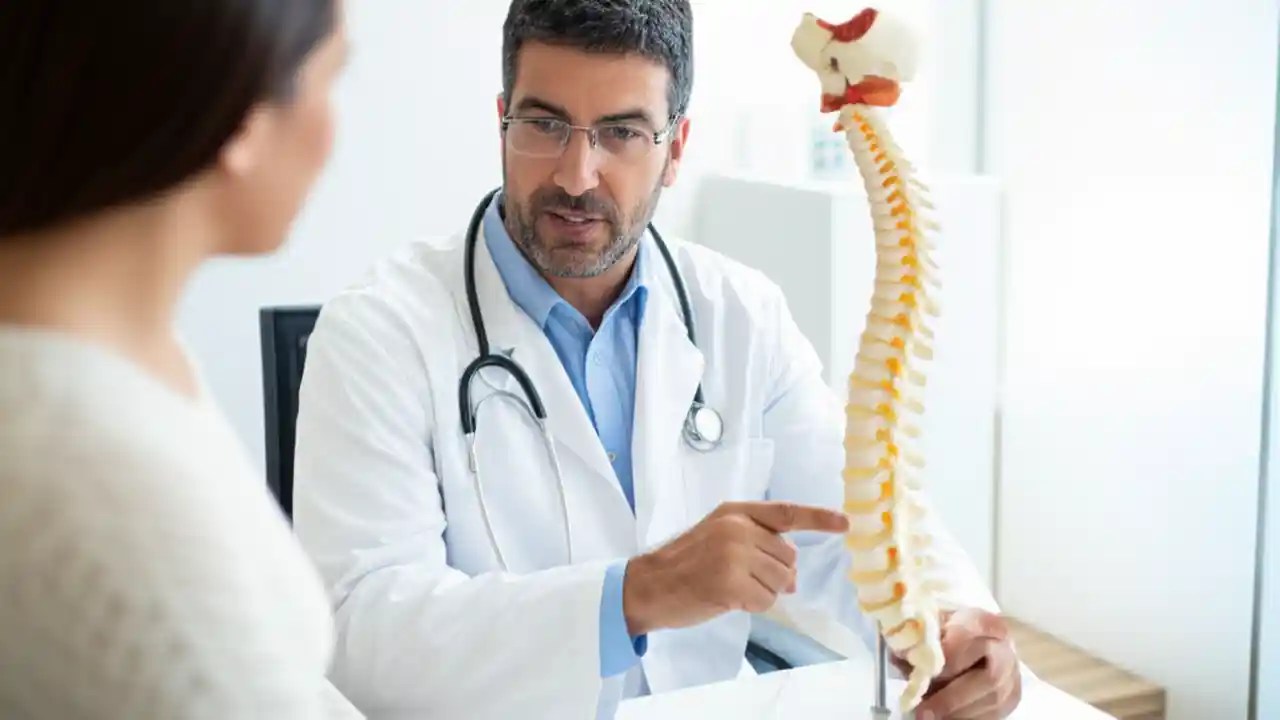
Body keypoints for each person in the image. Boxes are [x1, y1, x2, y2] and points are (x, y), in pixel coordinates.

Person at [292, 1, 1023, 718]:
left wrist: (953, 619)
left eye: (622, 133)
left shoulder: (742, 314)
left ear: (675, 149)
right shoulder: (376, 334)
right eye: (545, 125)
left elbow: (852, 520)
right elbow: (361, 637)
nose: (577, 175)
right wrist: (633, 595)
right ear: (501, 121)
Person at [0, 1, 363, 718]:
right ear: (244, 122)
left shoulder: (127, 348)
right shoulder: (96, 486)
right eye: (329, 80)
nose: (332, 133)